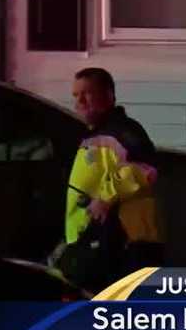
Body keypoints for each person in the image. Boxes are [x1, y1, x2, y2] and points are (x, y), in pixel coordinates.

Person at [61, 68, 163, 289]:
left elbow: (143, 168)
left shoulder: (124, 131)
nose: (79, 101)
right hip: (95, 241)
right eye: (75, 95)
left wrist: (105, 198)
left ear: (107, 95)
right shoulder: (93, 135)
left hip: (125, 244)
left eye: (86, 93)